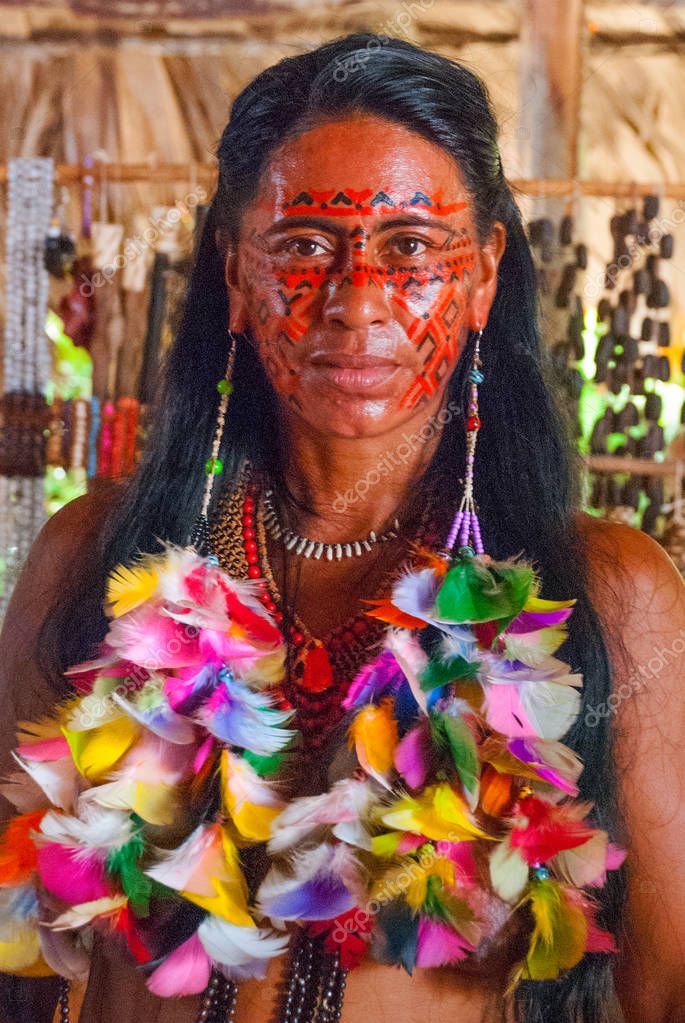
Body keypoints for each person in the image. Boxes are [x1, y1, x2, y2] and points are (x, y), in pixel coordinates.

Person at [1, 32, 684, 1023]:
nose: (357, 302)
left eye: (411, 248)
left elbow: (668, 987)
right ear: (234, 273)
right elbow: (15, 966)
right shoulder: (92, 558)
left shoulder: (610, 591)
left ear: (485, 276)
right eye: (304, 246)